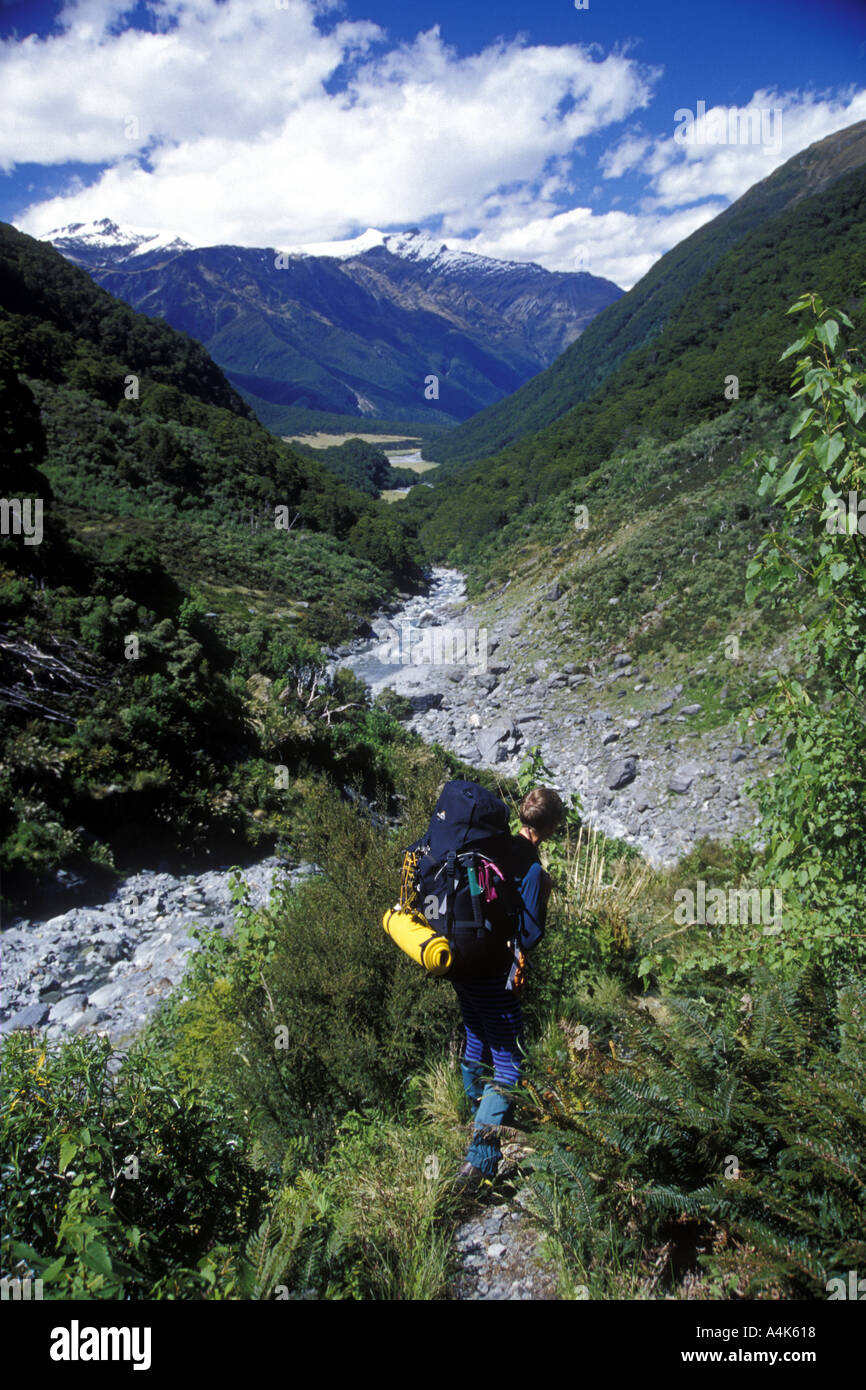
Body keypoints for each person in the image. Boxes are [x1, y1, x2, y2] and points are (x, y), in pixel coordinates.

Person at [453, 785, 564, 1187]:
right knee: (508, 1064)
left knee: (476, 1042)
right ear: (550, 827)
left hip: (461, 963)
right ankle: (479, 1161)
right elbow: (530, 936)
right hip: (495, 976)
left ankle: (476, 1116)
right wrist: (544, 894)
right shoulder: (533, 871)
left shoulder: (491, 846)